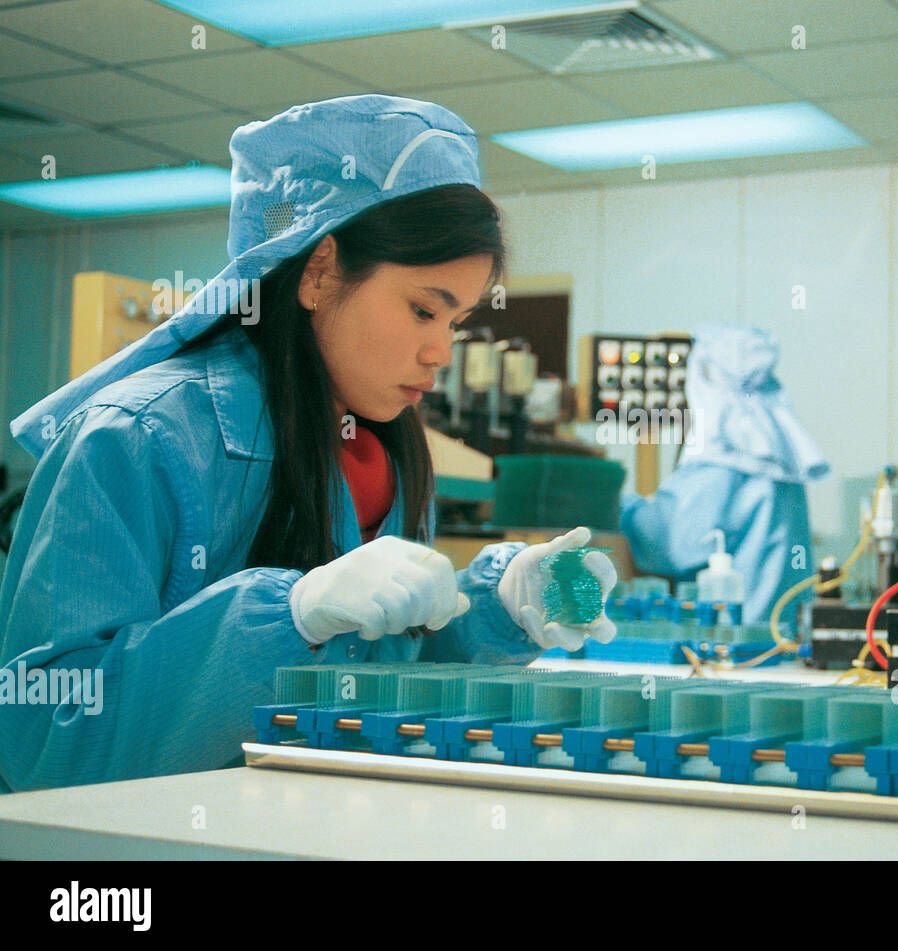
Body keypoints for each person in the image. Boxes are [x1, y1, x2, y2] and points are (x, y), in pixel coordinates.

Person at [0, 96, 615, 792]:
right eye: (423, 309)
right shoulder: (137, 438)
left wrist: (494, 608)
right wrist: (285, 617)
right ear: (319, 271)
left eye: (458, 321)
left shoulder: (384, 451)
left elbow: (379, 681)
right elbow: (43, 741)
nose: (441, 351)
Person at [619, 324, 829, 629]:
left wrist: (612, 503)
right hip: (782, 637)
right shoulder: (776, 459)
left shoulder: (725, 462)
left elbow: (668, 543)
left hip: (736, 645)